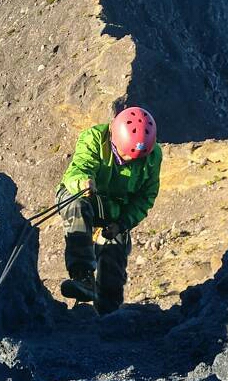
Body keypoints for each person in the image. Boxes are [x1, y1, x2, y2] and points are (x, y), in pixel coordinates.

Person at [56, 106, 162, 315]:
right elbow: (79, 169)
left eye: (135, 159)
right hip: (84, 195)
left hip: (113, 213)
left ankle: (108, 314)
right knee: (76, 206)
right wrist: (83, 183)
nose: (129, 161)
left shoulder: (153, 156)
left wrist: (121, 223)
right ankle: (82, 276)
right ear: (114, 140)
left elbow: (145, 197)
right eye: (124, 156)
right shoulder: (95, 138)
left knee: (115, 249)